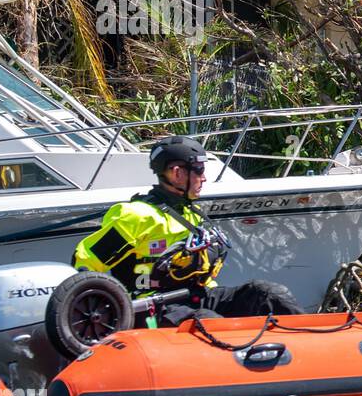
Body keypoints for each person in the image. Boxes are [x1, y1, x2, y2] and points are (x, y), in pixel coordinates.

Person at [72, 135, 304, 326]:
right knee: (210, 323)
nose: (204, 178)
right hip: (153, 309)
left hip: (197, 296)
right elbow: (85, 261)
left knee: (268, 294)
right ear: (177, 173)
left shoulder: (190, 214)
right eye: (199, 170)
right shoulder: (137, 215)